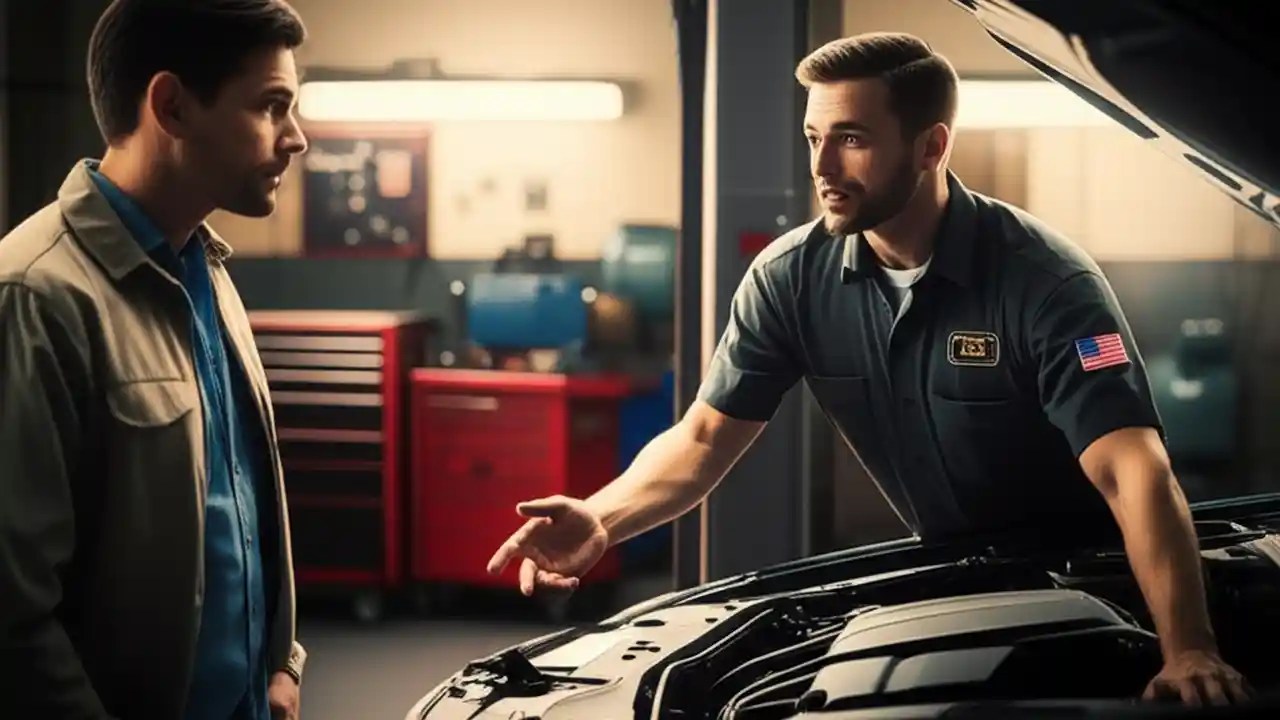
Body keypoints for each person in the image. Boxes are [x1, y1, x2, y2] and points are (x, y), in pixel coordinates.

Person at [487, 32, 1253, 707]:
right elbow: (703, 438)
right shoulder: (790, 278)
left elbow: (1134, 472)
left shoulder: (1045, 283)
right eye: (813, 136)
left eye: (851, 138)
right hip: (951, 577)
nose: (822, 165)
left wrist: (1186, 645)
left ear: (932, 146)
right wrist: (603, 518)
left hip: (1099, 590)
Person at [0, 1, 310, 718]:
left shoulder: (206, 269)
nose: (296, 138)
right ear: (170, 106)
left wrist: (281, 667)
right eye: (271, 107)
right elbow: (13, 616)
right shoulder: (34, 297)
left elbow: (240, 503)